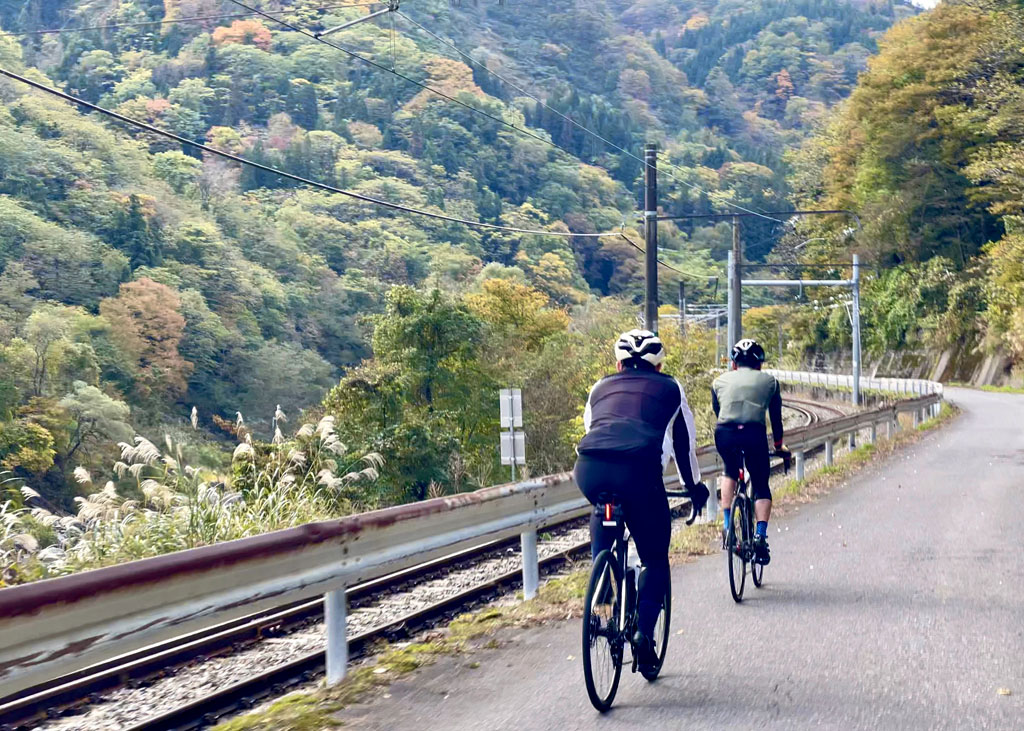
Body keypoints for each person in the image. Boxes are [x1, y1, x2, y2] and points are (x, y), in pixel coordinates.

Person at [574, 329, 708, 672]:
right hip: (639, 474)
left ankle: (604, 590)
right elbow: (683, 447)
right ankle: (643, 634)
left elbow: (594, 429)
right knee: (655, 560)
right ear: (659, 365)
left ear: (618, 364)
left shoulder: (599, 387)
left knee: (604, 517)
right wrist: (694, 489)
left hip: (590, 471)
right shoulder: (670, 388)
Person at [711, 338, 789, 566]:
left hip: (725, 433)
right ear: (760, 365)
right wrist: (778, 446)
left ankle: (727, 527)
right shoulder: (770, 382)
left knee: (729, 470)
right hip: (754, 434)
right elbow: (775, 418)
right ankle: (760, 537)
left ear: (734, 364)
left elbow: (720, 411)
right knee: (761, 483)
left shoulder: (718, 382)